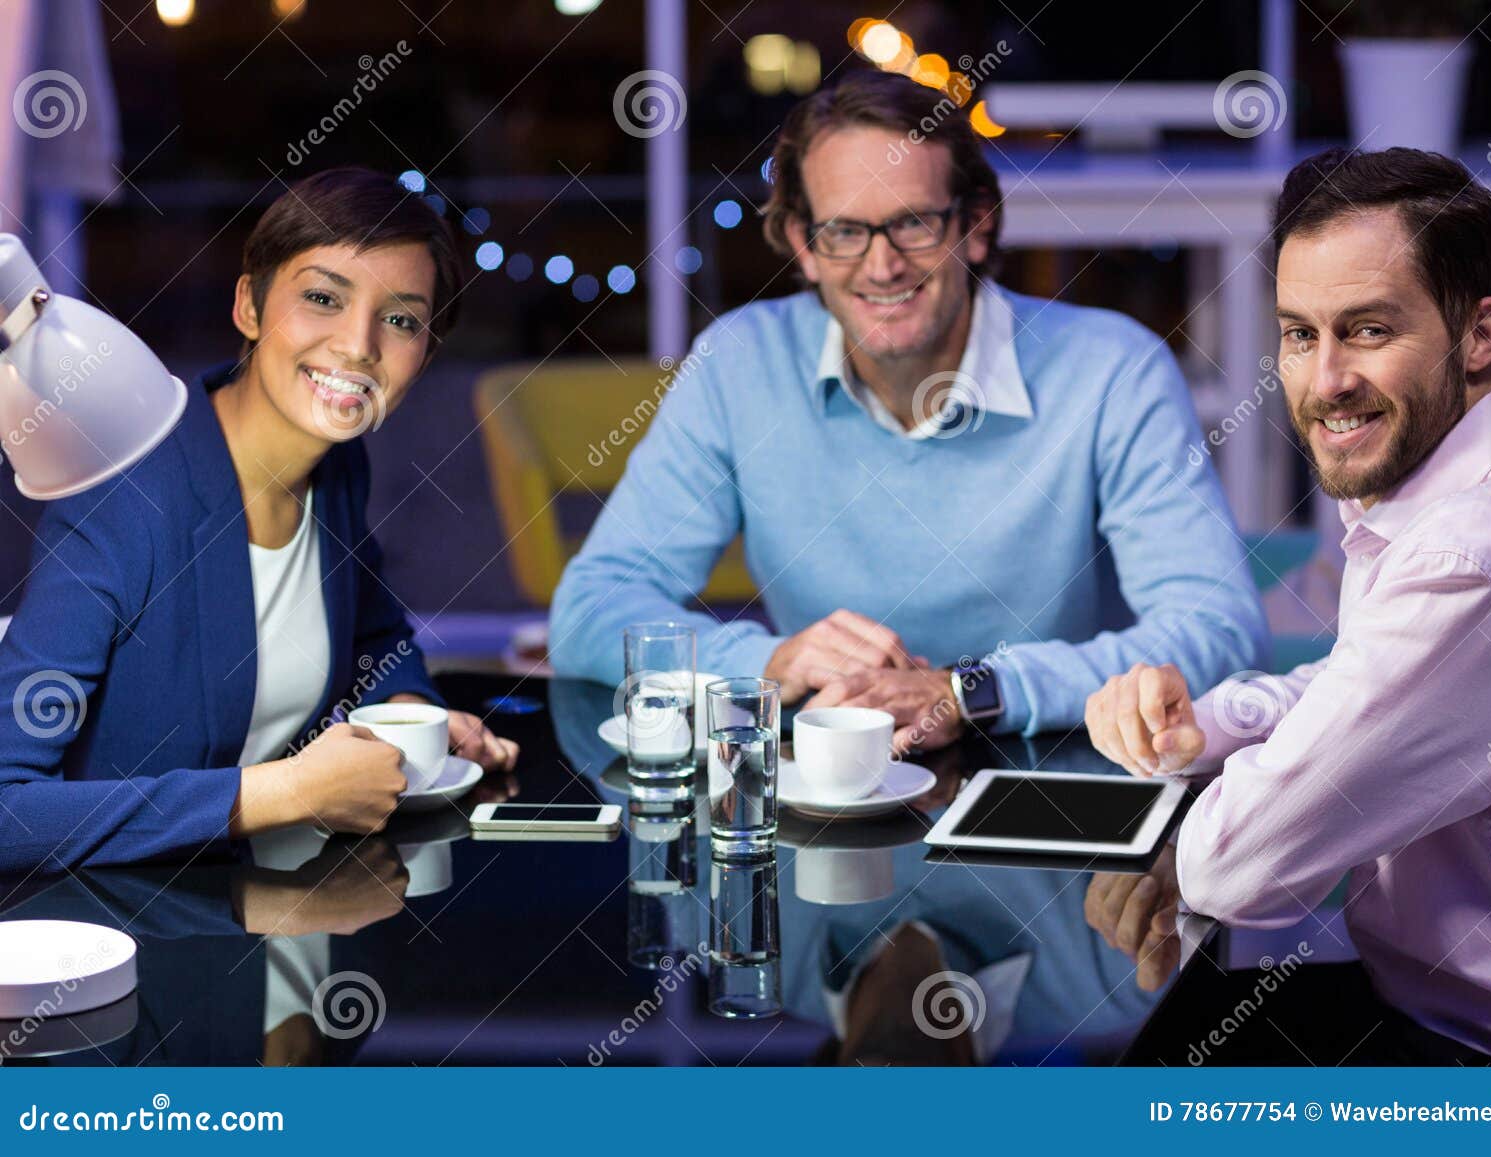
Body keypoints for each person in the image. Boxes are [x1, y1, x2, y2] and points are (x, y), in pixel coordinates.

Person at [550, 71, 1266, 749]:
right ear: (803, 244)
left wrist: (969, 692)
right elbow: (589, 610)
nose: (882, 265)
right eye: (844, 231)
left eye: (914, 224)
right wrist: (771, 661)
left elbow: (1219, 630)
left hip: (1044, 790)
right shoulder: (738, 363)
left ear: (976, 226)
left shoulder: (1114, 369)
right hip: (828, 796)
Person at [1084, 147, 1491, 1066]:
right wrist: (1201, 727)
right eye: (1297, 333)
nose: (1323, 381)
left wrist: (1181, 838)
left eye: (1366, 330)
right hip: (1428, 1005)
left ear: (1480, 335)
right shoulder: (1483, 472)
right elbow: (1364, 681)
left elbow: (1232, 866)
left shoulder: (1471, 557)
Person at [0, 167, 518, 873]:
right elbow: (8, 808)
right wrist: (287, 791)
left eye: (400, 319)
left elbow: (377, 634)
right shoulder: (124, 500)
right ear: (249, 304)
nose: (359, 345)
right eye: (322, 297)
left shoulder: (335, 469)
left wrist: (416, 714)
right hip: (150, 946)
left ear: (423, 353)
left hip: (292, 920)